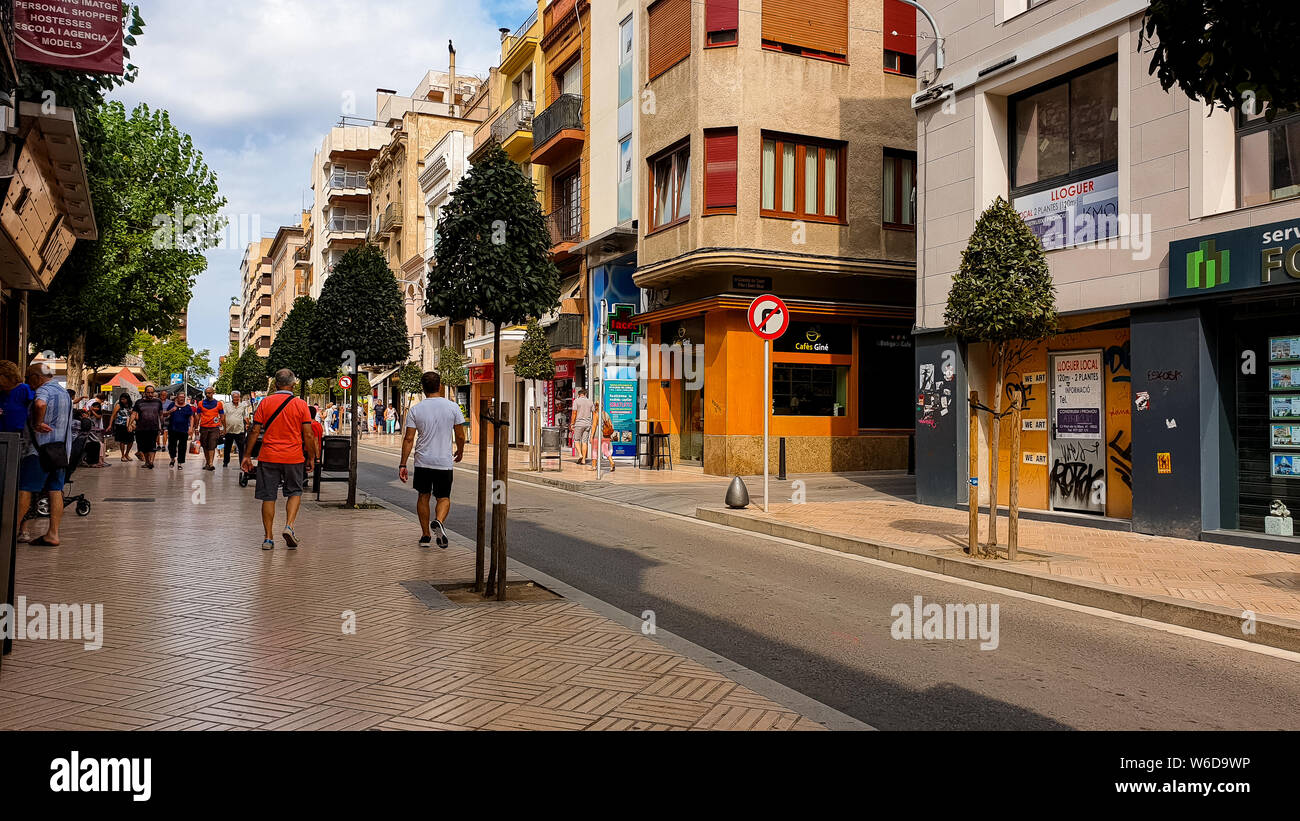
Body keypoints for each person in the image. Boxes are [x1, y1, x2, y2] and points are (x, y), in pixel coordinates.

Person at [241, 369, 316, 551]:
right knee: (295, 492)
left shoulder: (265, 403)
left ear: (275, 385)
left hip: (269, 456)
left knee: (268, 496)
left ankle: (268, 538)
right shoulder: (300, 404)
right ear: (293, 384)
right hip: (293, 456)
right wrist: (312, 457)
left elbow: (254, 431)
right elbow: (308, 433)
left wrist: (246, 455)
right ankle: (289, 526)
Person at [399, 371, 465, 548]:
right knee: (443, 497)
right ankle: (439, 521)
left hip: (423, 461)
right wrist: (460, 450)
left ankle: (425, 535)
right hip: (444, 461)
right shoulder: (453, 407)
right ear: (440, 386)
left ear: (423, 388)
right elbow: (460, 434)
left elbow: (409, 439)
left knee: (423, 496)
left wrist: (403, 463)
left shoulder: (416, 409)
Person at [18, 363, 72, 546]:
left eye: (27, 377)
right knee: (55, 490)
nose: (27, 382)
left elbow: (40, 404)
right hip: (59, 452)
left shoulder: (43, 390)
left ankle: (9, 531)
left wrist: (38, 422)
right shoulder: (64, 392)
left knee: (25, 488)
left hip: (39, 451)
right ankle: (53, 534)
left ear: (36, 377)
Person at [130, 386, 164, 469]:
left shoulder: (158, 402)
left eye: (152, 392)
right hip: (141, 428)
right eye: (148, 392)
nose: (150, 394)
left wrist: (162, 426)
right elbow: (134, 414)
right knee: (143, 446)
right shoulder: (139, 402)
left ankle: (151, 462)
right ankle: (147, 462)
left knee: (152, 445)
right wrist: (130, 424)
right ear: (144, 393)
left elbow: (161, 414)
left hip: (154, 427)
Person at [0, 359, 34, 437]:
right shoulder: (2, 393)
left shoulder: (25, 390)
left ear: (7, 376)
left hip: (20, 437)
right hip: (3, 437)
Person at [166, 392, 198, 469]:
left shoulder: (187, 407)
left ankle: (180, 463)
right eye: (180, 397)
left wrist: (191, 428)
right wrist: (171, 411)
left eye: (183, 397)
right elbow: (165, 415)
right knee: (172, 445)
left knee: (182, 447)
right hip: (172, 429)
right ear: (177, 397)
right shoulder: (172, 405)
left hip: (183, 430)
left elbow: (191, 418)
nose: (181, 398)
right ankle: (172, 459)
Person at [197, 386, 225, 471]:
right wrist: (195, 427)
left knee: (212, 445)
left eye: (209, 393)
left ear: (213, 393)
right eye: (206, 393)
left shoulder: (219, 404)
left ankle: (211, 463)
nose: (207, 394)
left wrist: (224, 428)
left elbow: (222, 416)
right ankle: (207, 462)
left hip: (214, 428)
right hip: (204, 427)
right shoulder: (200, 403)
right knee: (205, 446)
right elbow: (197, 416)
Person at [222, 390, 251, 468]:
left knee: (241, 448)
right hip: (229, 430)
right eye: (234, 397)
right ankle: (225, 462)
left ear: (239, 397)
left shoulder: (242, 406)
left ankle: (241, 463)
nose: (236, 398)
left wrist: (248, 423)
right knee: (227, 448)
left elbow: (245, 416)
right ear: (232, 397)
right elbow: (223, 416)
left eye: (237, 397)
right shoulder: (226, 405)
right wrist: (223, 428)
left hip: (240, 430)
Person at [570, 387, 594, 465]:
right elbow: (594, 412)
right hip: (588, 424)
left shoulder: (576, 401)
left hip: (578, 424)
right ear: (585, 394)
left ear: (579, 395)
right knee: (584, 442)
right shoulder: (590, 401)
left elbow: (574, 413)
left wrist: (572, 424)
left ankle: (580, 455)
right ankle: (583, 460)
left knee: (576, 440)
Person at [588, 406, 616, 473]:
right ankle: (612, 462)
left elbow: (594, 426)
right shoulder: (606, 414)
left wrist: (591, 436)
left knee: (594, 450)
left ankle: (594, 466)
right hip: (606, 435)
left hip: (597, 435)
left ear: (596, 407)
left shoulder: (596, 414)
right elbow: (610, 424)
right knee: (605, 450)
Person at [111, 394, 134, 461]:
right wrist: (110, 425)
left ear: (128, 399)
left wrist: (131, 412)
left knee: (131, 440)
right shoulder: (119, 405)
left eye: (124, 399)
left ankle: (127, 454)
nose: (122, 400)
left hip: (129, 424)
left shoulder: (130, 405)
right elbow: (113, 415)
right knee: (122, 441)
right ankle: (122, 455)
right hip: (120, 424)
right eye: (121, 399)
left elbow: (134, 414)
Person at [158, 390, 172, 454]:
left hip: (167, 419)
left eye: (165, 395)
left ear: (167, 395)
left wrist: (168, 415)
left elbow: (171, 411)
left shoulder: (170, 402)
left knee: (165, 432)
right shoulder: (157, 402)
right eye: (162, 395)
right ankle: (158, 445)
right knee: (157, 432)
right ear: (160, 395)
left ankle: (164, 445)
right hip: (157, 419)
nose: (163, 396)